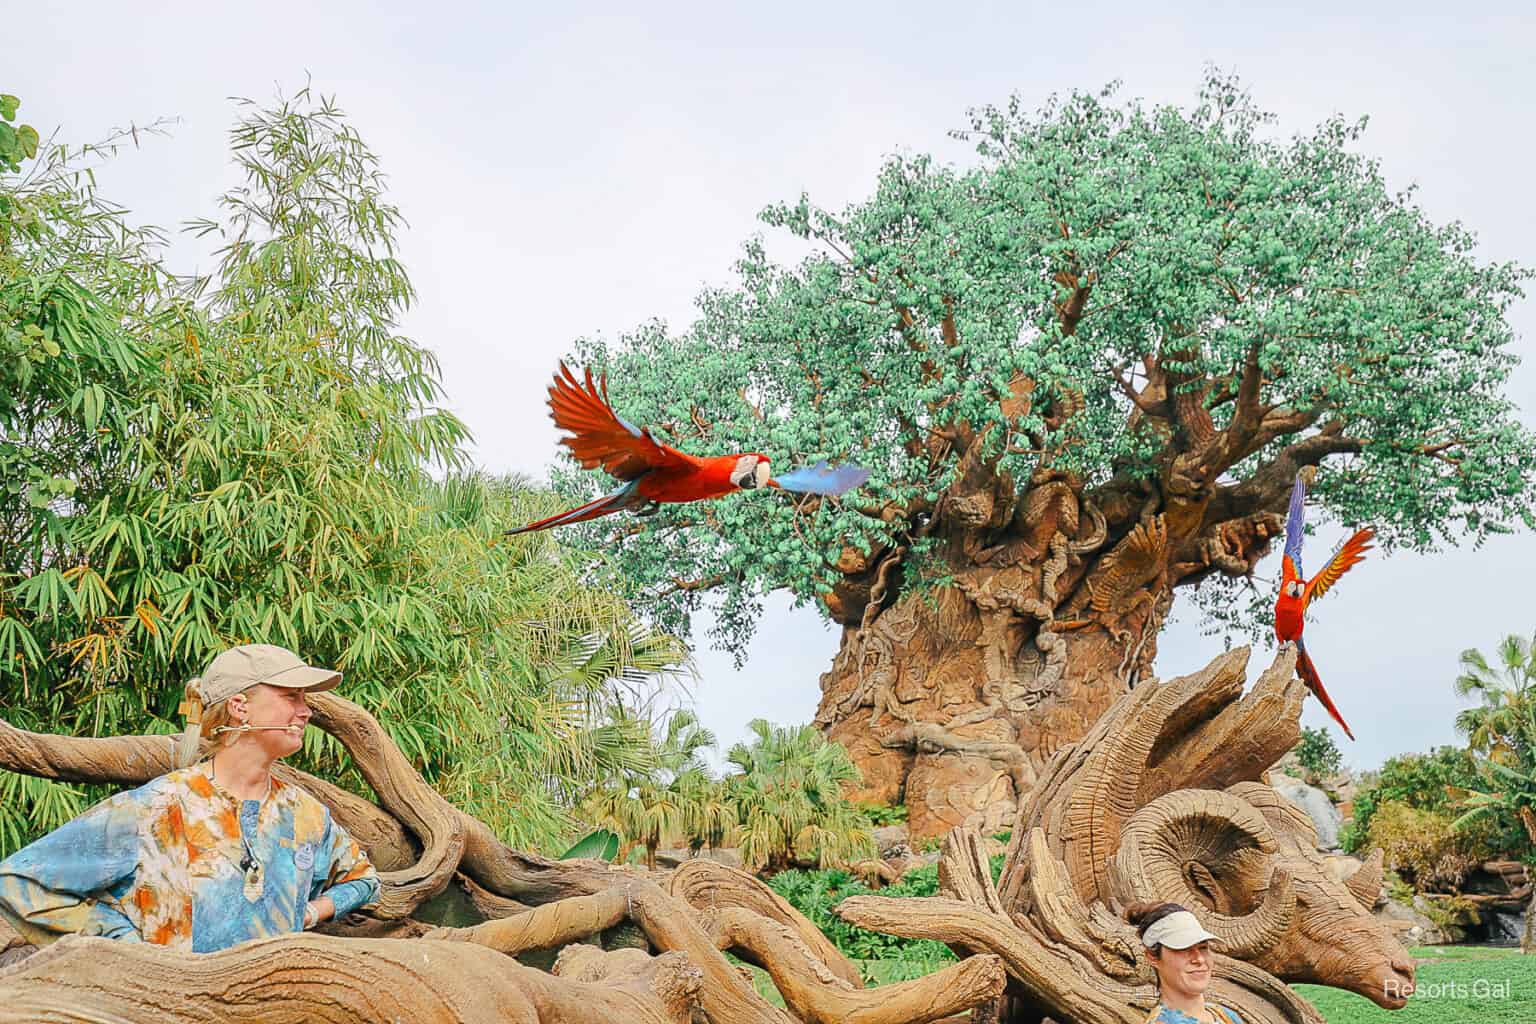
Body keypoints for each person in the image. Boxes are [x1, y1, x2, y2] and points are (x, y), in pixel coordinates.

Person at [0, 644, 380, 952]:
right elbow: (16, 881)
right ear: (239, 706)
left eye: (305, 699)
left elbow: (363, 880)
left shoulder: (305, 814)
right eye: (291, 696)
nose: (305, 711)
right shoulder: (157, 808)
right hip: (169, 1009)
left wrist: (307, 914)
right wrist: (119, 940)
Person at [1124, 900, 1244, 1024]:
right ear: (1152, 957)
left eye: (1203, 948)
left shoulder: (1226, 1016)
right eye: (1183, 948)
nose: (1199, 959)